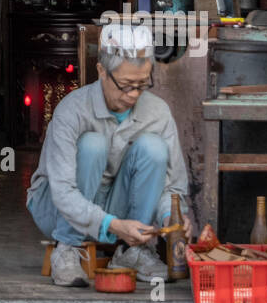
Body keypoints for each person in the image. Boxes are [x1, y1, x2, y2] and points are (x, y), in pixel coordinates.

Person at [27, 20, 192, 286]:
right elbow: (63, 192)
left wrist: (170, 217)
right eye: (126, 84)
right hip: (56, 208)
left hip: (117, 208)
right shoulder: (72, 110)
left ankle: (132, 252)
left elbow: (172, 187)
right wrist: (114, 226)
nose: (134, 94)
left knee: (154, 148)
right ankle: (67, 248)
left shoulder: (157, 112)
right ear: (102, 71)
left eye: (142, 84)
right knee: (93, 145)